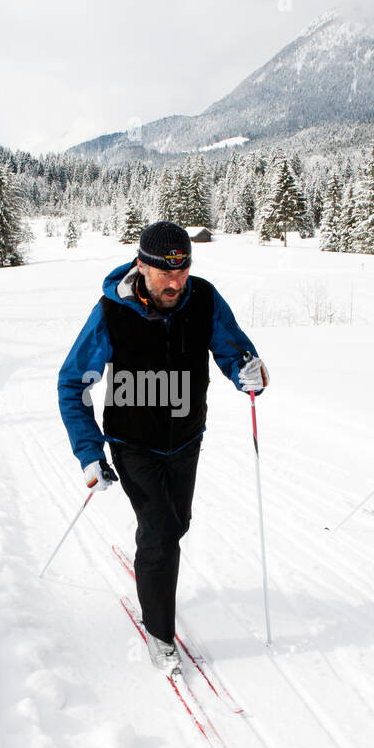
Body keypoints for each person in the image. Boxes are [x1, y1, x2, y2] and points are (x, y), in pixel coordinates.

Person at [58, 222, 267, 672]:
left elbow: (235, 352)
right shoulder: (112, 312)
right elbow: (72, 383)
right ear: (141, 266)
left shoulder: (204, 298)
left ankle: (152, 557)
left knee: (176, 523)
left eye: (183, 270)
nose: (175, 283)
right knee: (161, 533)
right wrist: (89, 452)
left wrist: (250, 373)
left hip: (187, 439)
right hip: (133, 444)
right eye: (163, 273)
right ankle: (160, 633)